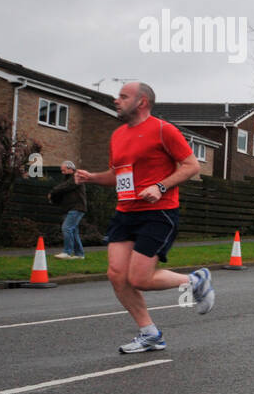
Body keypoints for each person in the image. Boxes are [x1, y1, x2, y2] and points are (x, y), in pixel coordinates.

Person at [74, 81, 215, 353]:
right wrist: (92, 177)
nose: (117, 100)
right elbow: (118, 175)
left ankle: (195, 281)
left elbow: (192, 165)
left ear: (142, 102)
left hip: (158, 213)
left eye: (123, 96)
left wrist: (160, 186)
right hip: (125, 212)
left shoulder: (163, 130)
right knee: (116, 274)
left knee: (139, 278)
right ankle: (150, 334)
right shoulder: (117, 136)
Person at [49, 160, 87, 259]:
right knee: (73, 231)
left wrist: (53, 191)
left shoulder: (76, 177)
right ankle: (79, 254)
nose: (62, 173)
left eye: (64, 170)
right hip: (70, 208)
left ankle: (67, 252)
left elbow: (65, 187)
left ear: (71, 169)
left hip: (77, 208)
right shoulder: (66, 180)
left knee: (66, 228)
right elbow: (62, 190)